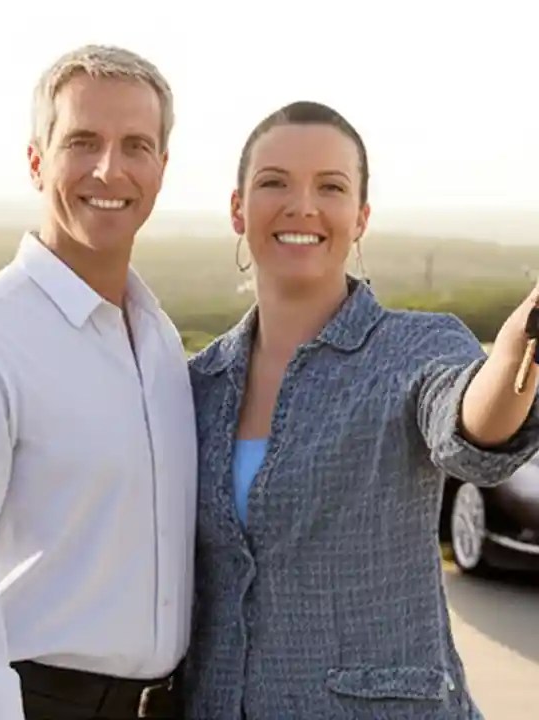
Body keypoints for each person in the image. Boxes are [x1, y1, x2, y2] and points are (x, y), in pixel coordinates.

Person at [183, 99, 539, 719]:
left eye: (331, 186)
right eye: (274, 183)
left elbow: (469, 424)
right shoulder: (196, 385)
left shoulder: (413, 349)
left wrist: (517, 350)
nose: (302, 206)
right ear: (238, 209)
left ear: (361, 216)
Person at [0, 44, 196, 720]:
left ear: (162, 169)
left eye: (135, 146)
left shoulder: (158, 340)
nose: (108, 169)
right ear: (37, 160)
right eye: (82, 141)